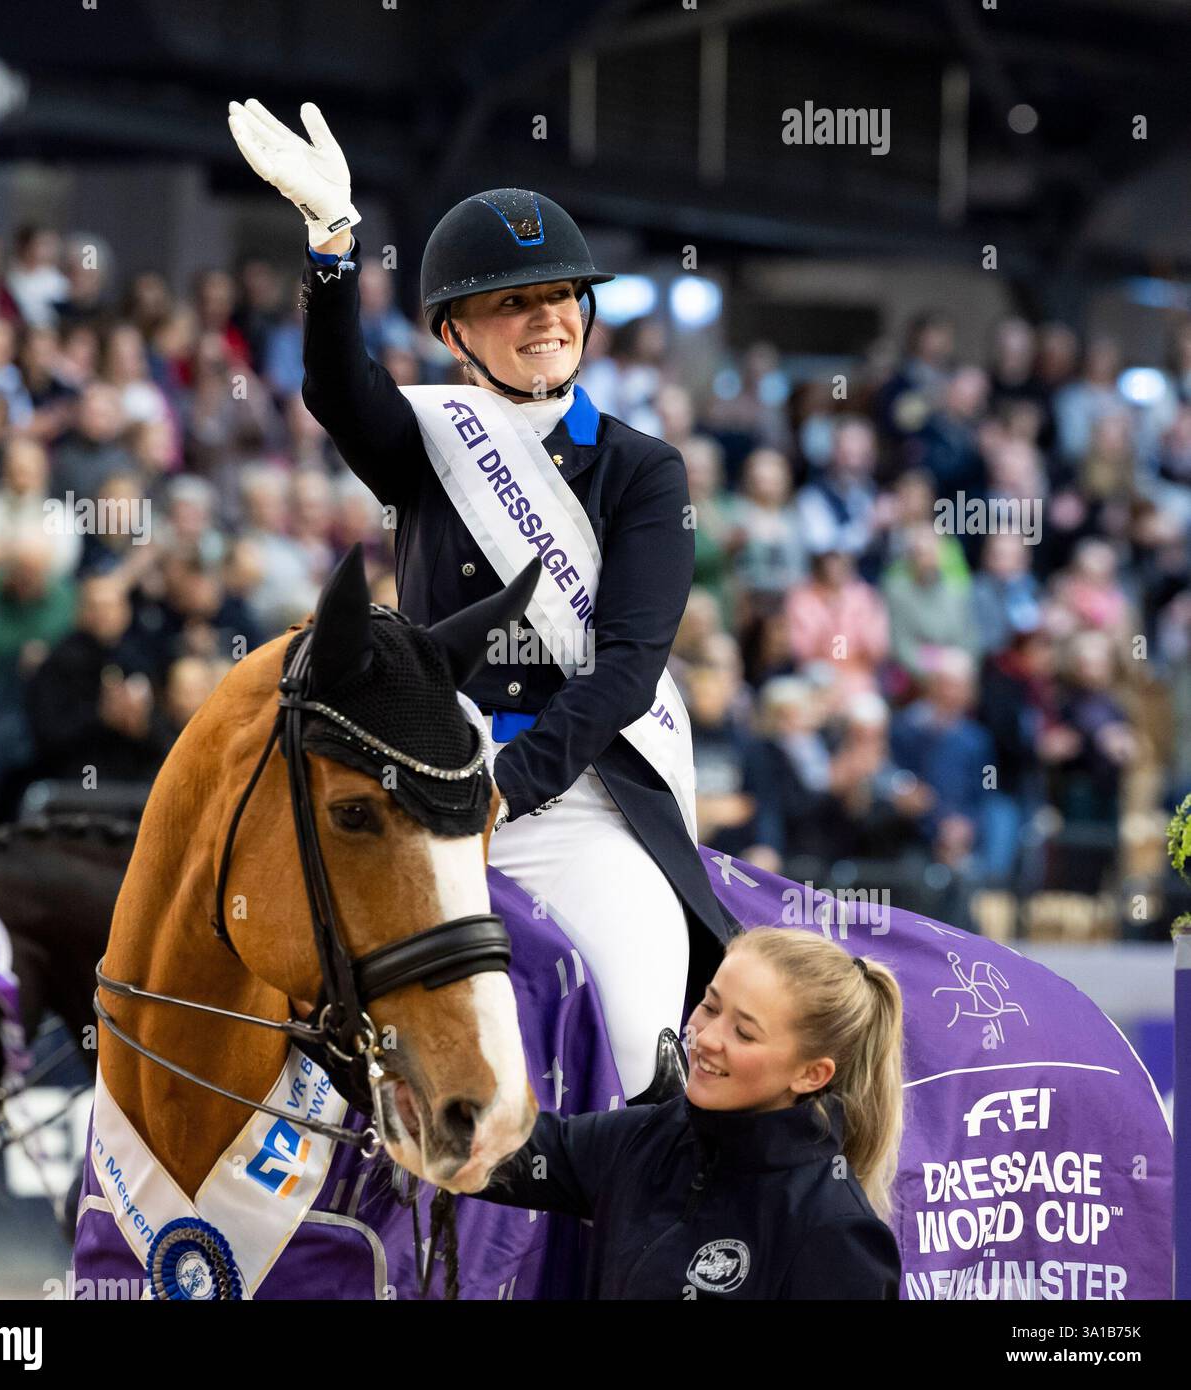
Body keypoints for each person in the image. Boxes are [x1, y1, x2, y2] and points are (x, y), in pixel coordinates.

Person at [228, 97, 738, 1102]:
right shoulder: (428, 441)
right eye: (514, 302)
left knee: (643, 1039)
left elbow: (627, 667)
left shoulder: (643, 470)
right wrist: (332, 245)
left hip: (577, 797)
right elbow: (338, 390)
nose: (546, 317)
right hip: (421, 784)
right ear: (456, 332)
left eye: (560, 296)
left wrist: (511, 783)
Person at [471, 927, 904, 1300]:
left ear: (811, 1074)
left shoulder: (835, 1235)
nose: (706, 1037)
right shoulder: (647, 1138)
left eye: (744, 1033)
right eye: (710, 1006)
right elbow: (489, 1146)